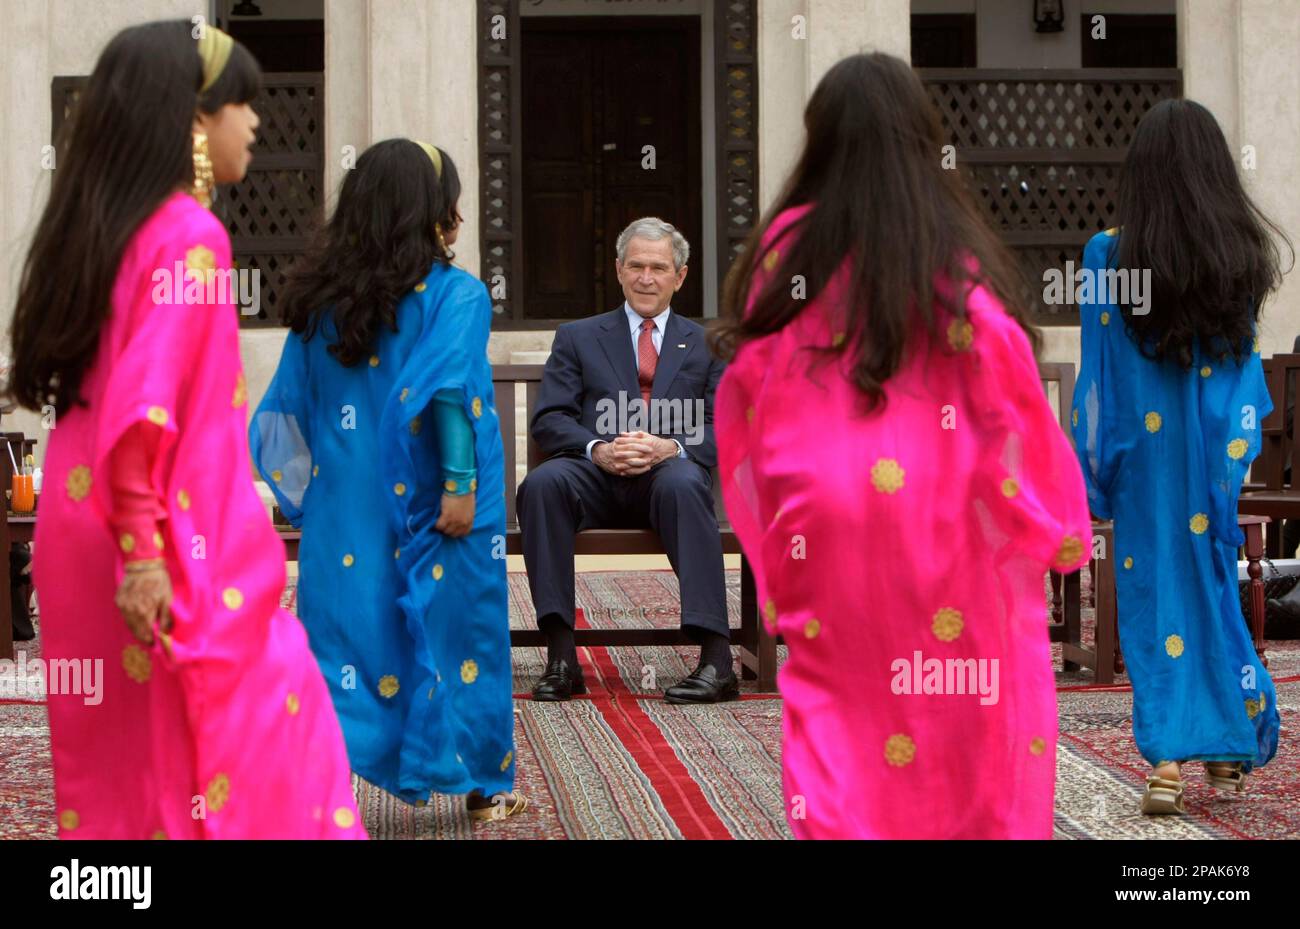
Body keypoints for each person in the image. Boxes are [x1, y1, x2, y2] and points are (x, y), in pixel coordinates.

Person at [712, 52, 1092, 838]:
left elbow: (749, 373)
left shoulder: (788, 248)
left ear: (819, 142)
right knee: (963, 713)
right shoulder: (948, 247)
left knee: (839, 709)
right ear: (925, 140)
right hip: (947, 524)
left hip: (828, 518)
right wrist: (1046, 519)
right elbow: (1010, 388)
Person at [7, 21, 364, 838]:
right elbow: (146, 405)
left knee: (124, 769)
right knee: (252, 748)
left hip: (90, 518)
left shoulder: (104, 231)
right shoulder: (188, 235)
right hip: (164, 539)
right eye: (242, 102)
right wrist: (142, 553)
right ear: (192, 120)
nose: (256, 123)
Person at [251, 139, 522, 820]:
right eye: (449, 205)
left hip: (344, 513)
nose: (457, 218)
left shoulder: (321, 302)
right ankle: (483, 788)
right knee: (458, 634)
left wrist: (312, 501)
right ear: (426, 213)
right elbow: (450, 392)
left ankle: (324, 789)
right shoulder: (457, 295)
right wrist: (460, 486)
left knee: (342, 641)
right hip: (439, 508)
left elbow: (283, 416)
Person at [1071, 98, 1290, 814]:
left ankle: (1166, 757)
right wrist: (1230, 466)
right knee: (1211, 590)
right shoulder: (1236, 259)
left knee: (1155, 602)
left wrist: (1095, 475)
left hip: (1146, 469)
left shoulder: (1108, 255)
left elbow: (1097, 382)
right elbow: (1242, 385)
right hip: (1210, 465)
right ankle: (1227, 749)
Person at [518, 217, 732, 704]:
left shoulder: (708, 344)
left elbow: (729, 426)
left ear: (680, 276)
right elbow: (551, 418)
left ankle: (717, 661)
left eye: (659, 267)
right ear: (618, 270)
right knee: (541, 485)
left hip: (669, 477)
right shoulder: (577, 336)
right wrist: (599, 448)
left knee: (682, 482)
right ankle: (561, 657)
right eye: (636, 265)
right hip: (593, 474)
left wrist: (670, 447)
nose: (646, 277)